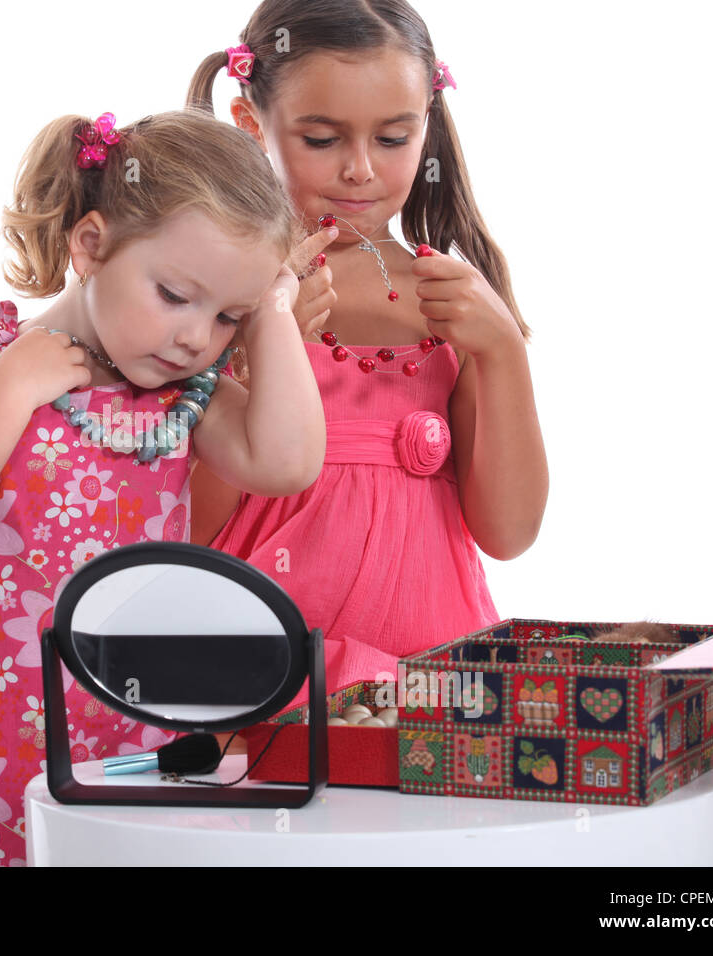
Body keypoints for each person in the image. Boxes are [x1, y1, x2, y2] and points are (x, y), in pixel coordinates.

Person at [0, 109, 326, 866]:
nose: (194, 336)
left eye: (226, 317)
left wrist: (274, 308)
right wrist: (11, 389)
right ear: (91, 245)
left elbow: (287, 463)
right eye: (175, 295)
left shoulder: (186, 400)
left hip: (117, 733)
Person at [185, 0, 549, 699]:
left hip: (431, 679)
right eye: (321, 139)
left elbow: (508, 531)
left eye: (392, 138)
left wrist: (504, 352)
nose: (360, 170)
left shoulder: (455, 302)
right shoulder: (222, 290)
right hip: (256, 673)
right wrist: (259, 357)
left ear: (427, 126)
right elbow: (185, 530)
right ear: (251, 122)